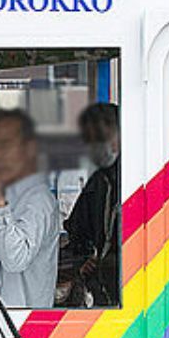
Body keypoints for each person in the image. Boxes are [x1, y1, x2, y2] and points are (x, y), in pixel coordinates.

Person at [0, 108, 60, 309]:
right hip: (1, 318)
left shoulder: (39, 199)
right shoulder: (12, 194)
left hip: (21, 324)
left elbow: (15, 259)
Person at [62, 102, 122, 308]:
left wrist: (109, 261)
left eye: (103, 138)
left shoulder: (140, 178)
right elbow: (77, 228)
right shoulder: (100, 179)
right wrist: (85, 259)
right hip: (103, 292)